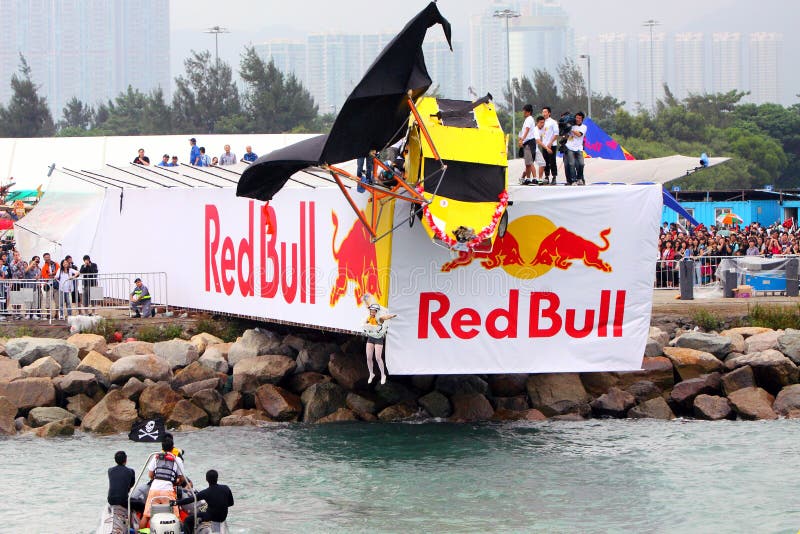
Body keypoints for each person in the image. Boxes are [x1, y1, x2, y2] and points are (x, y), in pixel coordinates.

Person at [141, 434, 185, 529]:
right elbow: (182, 478)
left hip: (154, 489)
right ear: (172, 447)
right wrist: (177, 482)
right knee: (177, 516)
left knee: (146, 516)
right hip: (168, 491)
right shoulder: (176, 459)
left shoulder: (155, 457)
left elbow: (150, 475)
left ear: (162, 447)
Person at [172, 470, 234, 534]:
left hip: (211, 517)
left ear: (206, 479)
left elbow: (190, 500)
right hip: (223, 517)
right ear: (217, 478)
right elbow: (231, 503)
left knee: (187, 520)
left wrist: (176, 502)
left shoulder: (206, 492)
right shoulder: (226, 488)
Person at [361, 303, 396, 385]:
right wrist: (365, 300)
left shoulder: (379, 318)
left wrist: (392, 316)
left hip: (378, 339)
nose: (372, 313)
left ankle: (383, 375)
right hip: (371, 338)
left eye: (374, 311)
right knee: (369, 357)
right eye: (371, 311)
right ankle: (371, 373)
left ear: (377, 312)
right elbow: (367, 307)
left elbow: (385, 317)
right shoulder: (369, 317)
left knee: (378, 358)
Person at [564, 111, 587, 185]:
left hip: (579, 148)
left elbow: (579, 134)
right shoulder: (571, 125)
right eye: (576, 117)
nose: (577, 119)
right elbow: (566, 135)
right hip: (570, 147)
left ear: (582, 119)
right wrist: (565, 128)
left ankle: (579, 178)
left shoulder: (584, 127)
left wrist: (570, 129)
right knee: (571, 163)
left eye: (579, 118)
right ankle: (573, 180)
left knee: (581, 164)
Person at [518, 104, 537, 185]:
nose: (523, 112)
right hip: (527, 142)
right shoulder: (527, 119)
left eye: (524, 111)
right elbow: (523, 132)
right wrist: (521, 140)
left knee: (529, 161)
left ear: (528, 112)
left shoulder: (529, 119)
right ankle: (528, 179)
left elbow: (527, 130)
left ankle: (533, 178)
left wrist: (522, 139)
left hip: (529, 142)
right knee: (527, 162)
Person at [541, 106, 559, 185]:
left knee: (552, 161)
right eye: (543, 112)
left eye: (545, 112)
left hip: (552, 145)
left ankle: (554, 177)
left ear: (549, 113)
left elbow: (556, 134)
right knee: (545, 161)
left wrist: (550, 143)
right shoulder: (542, 122)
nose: (544, 114)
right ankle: (546, 176)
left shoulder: (553, 122)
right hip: (544, 145)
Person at [40, 252, 58, 320]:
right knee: (48, 300)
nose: (47, 258)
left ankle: (57, 313)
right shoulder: (44, 267)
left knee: (57, 300)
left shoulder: (56, 264)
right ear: (44, 258)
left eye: (48, 257)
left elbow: (58, 272)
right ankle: (48, 314)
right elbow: (44, 276)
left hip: (56, 284)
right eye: (45, 257)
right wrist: (50, 275)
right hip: (48, 284)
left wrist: (53, 274)